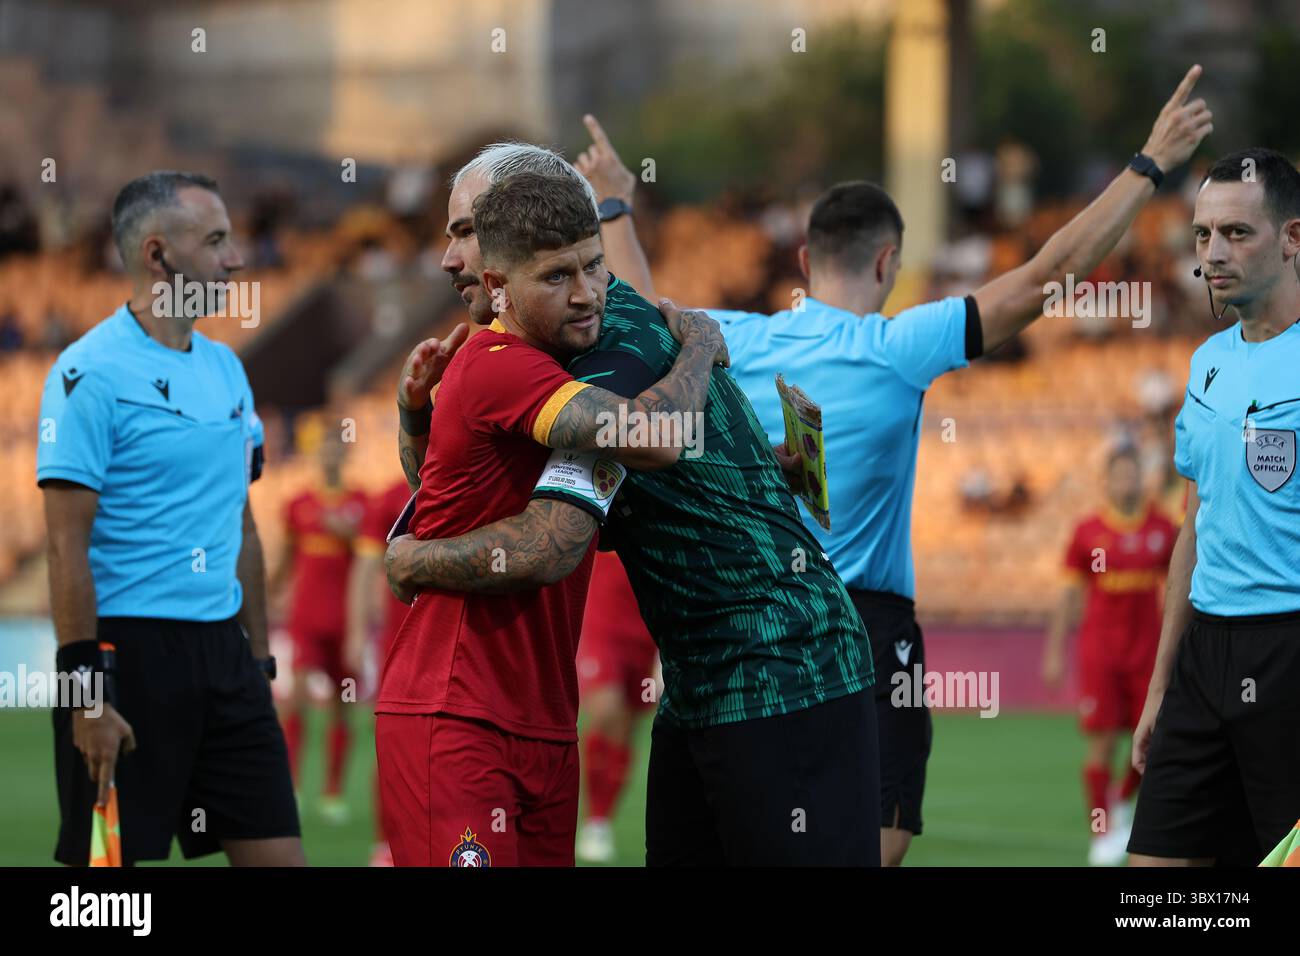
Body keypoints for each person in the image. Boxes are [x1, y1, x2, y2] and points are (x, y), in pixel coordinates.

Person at [577, 67, 1213, 864]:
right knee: (875, 842)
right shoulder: (898, 345)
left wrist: (613, 204)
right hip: (866, 629)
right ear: (888, 264)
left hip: (741, 620)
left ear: (806, 258)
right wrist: (1149, 163)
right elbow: (1050, 274)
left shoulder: (728, 337)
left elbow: (638, 309)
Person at [386, 167, 881, 866]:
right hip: (701, 682)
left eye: (469, 231)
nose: (453, 258)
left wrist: (411, 559)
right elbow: (472, 493)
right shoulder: (535, 353)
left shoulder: (601, 352)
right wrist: (417, 419)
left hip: (780, 668)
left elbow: (552, 541)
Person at [376, 169, 726, 867]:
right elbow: (651, 439)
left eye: (592, 269)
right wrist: (699, 348)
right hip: (458, 709)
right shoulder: (503, 364)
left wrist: (415, 416)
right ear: (505, 284)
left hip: (542, 719)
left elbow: (455, 488)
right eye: (558, 276)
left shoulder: (550, 372)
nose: (587, 293)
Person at [37, 170, 302, 866]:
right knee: (109, 900)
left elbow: (242, 526)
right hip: (126, 661)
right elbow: (66, 547)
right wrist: (84, 697)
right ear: (159, 257)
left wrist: (259, 659)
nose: (236, 259)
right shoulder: (87, 373)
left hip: (226, 659)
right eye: (216, 240)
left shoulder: (227, 370)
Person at [1129, 147, 1300, 867]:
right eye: (1202, 236)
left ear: (1293, 238)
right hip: (1205, 654)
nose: (1212, 254)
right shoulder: (1207, 362)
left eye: (1236, 233)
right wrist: (1162, 684)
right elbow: (1192, 530)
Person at [1042, 445, 1176, 865]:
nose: (1126, 482)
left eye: (1132, 474)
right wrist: (1054, 651)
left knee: (1151, 742)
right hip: (1100, 652)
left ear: (1142, 478)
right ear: (1108, 480)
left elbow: (1175, 589)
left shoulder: (1163, 529)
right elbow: (1069, 594)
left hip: (1147, 654)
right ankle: (1101, 832)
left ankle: (1119, 802)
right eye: (1119, 475)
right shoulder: (1088, 532)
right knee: (1101, 746)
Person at [269, 430, 366, 822]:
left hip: (345, 621)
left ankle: (333, 791)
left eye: (335, 450)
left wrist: (349, 532)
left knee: (343, 705)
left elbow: (371, 555)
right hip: (306, 618)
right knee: (297, 700)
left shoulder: (360, 505)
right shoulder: (298, 505)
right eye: (324, 450)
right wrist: (266, 596)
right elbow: (287, 560)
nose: (329, 457)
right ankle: (290, 785)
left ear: (344, 456)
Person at [573, 551, 659, 863]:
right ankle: (590, 821)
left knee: (624, 730)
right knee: (607, 712)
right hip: (604, 618)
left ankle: (601, 820)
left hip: (648, 624)